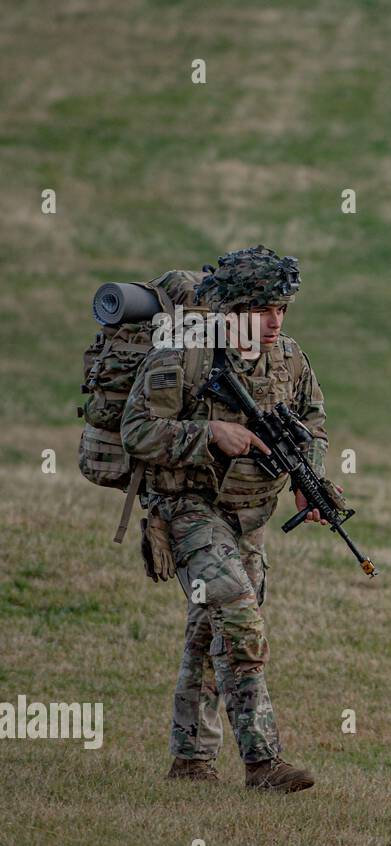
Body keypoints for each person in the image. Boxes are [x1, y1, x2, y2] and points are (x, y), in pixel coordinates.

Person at [121, 245, 328, 793]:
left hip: (250, 515)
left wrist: (315, 482)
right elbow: (135, 431)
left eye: (282, 309)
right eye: (263, 310)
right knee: (237, 614)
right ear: (231, 310)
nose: (275, 322)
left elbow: (314, 421)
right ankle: (264, 762)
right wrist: (209, 434)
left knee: (207, 627)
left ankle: (190, 760)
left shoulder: (288, 356)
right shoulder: (182, 354)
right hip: (187, 506)